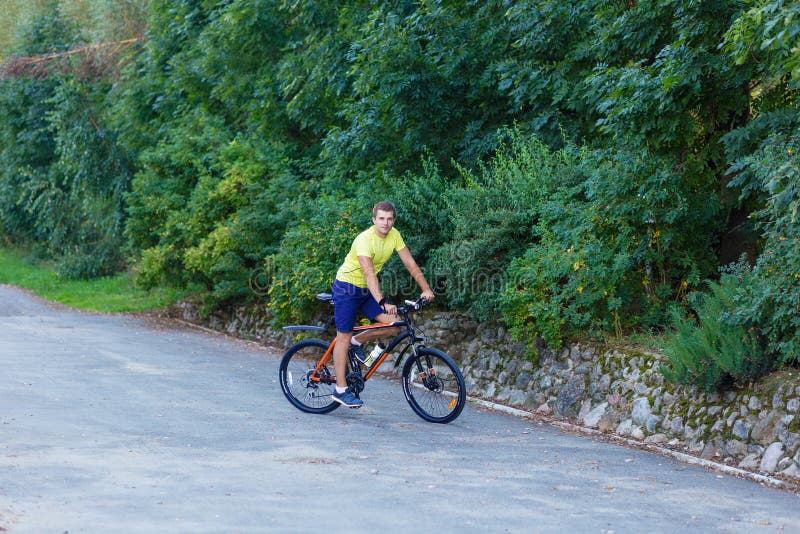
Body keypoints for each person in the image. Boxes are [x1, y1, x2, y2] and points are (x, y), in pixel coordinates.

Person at [330, 201, 435, 408]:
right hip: (346, 288)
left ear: (393, 220)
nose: (385, 223)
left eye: (389, 219)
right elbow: (369, 273)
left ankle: (357, 342)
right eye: (381, 219)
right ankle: (340, 389)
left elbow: (410, 263)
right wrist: (382, 302)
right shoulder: (364, 240)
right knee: (343, 336)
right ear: (374, 220)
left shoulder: (394, 235)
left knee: (393, 325)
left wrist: (426, 289)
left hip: (365, 290)